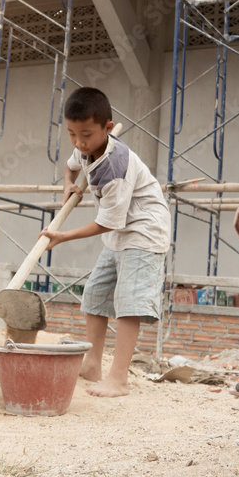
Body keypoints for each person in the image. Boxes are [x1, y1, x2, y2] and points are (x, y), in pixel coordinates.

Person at [40, 87, 172, 397]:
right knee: (96, 293)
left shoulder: (116, 168)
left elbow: (105, 222)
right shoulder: (85, 147)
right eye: (72, 134)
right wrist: (69, 187)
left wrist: (62, 237)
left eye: (85, 134)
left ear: (108, 128)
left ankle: (119, 378)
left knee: (128, 304)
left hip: (143, 231)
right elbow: (71, 165)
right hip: (119, 232)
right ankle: (92, 364)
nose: (78, 142)